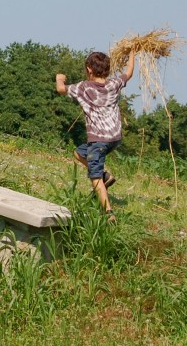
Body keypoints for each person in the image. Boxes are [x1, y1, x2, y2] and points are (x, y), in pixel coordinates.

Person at [55, 50, 135, 220]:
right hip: (114, 138)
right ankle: (107, 177)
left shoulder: (84, 87)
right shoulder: (114, 84)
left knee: (94, 175)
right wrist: (133, 54)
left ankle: (108, 213)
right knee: (78, 153)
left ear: (89, 69)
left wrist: (59, 78)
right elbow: (129, 73)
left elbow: (60, 89)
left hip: (99, 140)